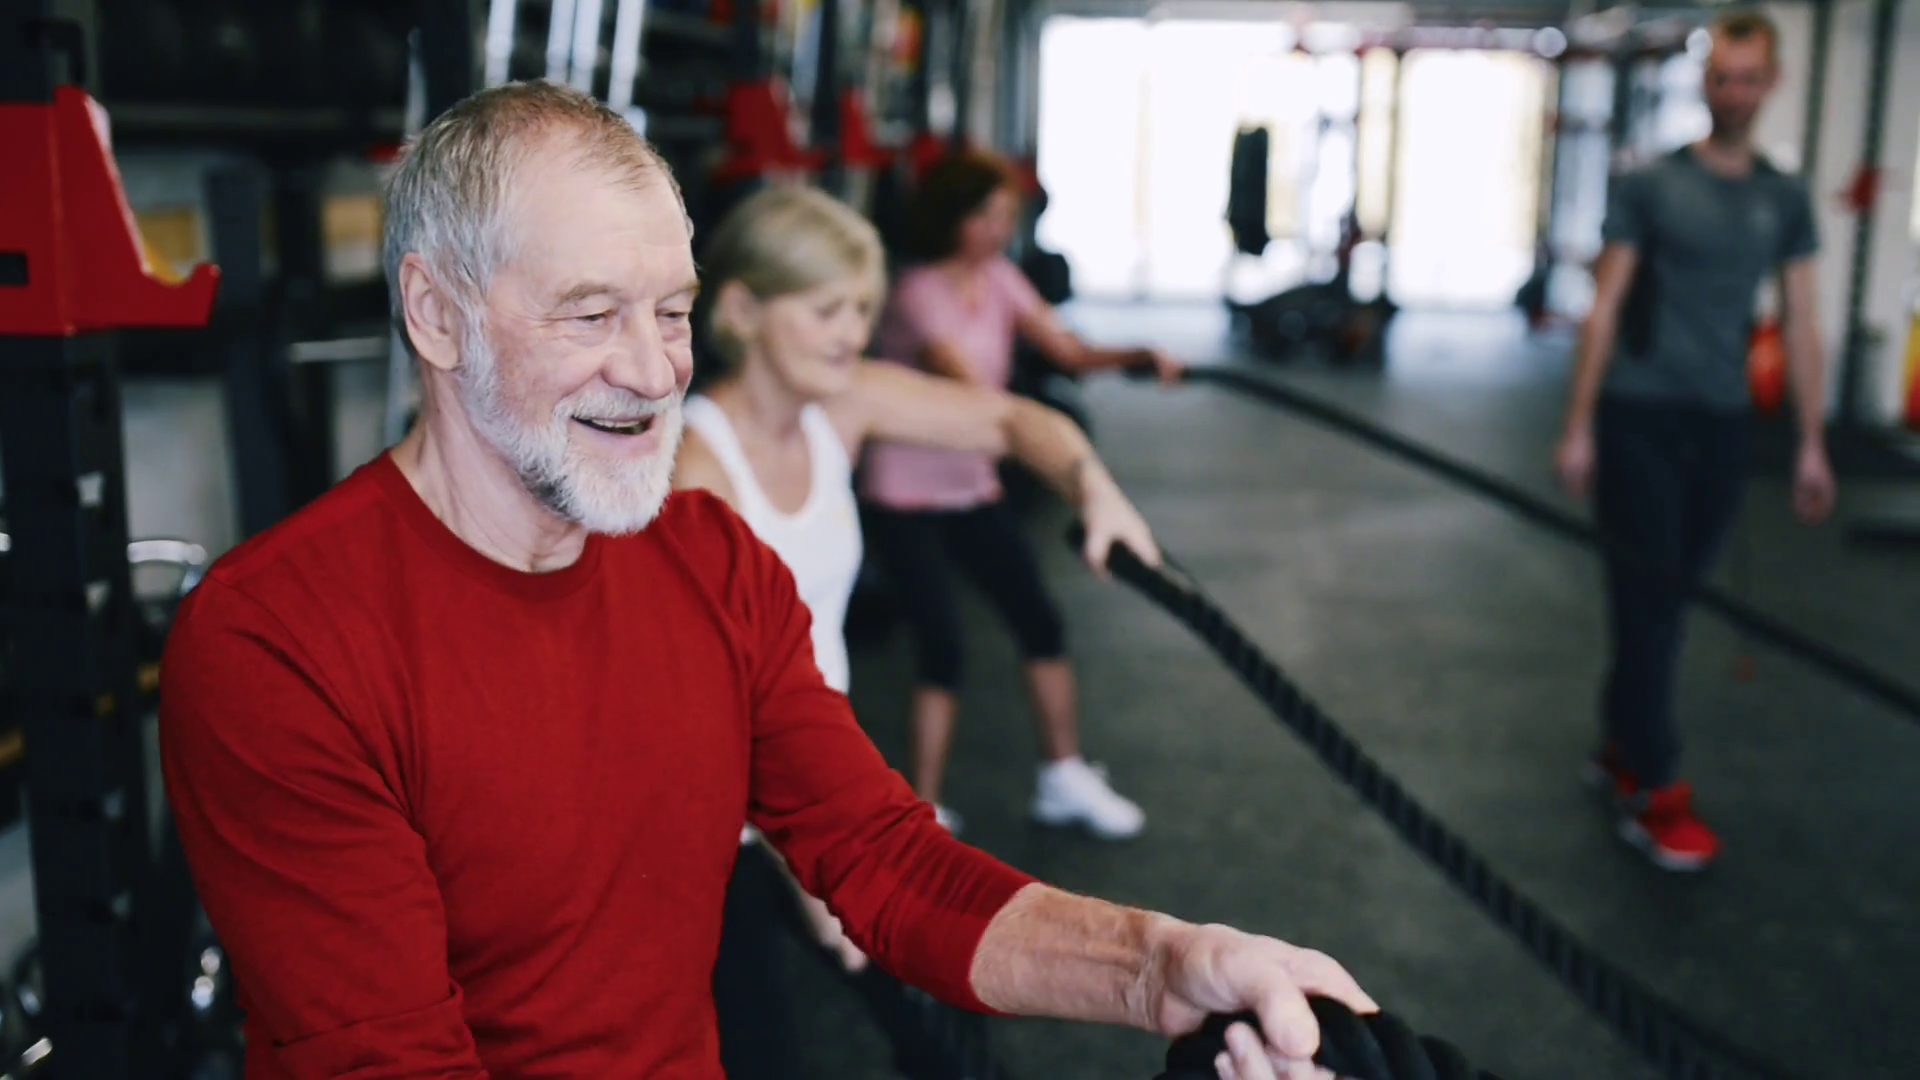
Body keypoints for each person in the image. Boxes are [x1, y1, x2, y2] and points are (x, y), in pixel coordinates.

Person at [158, 80, 1374, 1080]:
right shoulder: (279, 643)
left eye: (674, 312)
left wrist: (1168, 966)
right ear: (436, 312)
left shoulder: (712, 562)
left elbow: (889, 867)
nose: (652, 371)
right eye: (592, 315)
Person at [678, 185, 1166, 1076]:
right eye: (825, 309)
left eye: (861, 309)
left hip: (814, 782)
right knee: (758, 1051)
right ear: (744, 310)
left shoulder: (840, 404)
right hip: (720, 816)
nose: (849, 332)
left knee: (946, 1041)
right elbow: (722, 706)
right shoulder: (695, 474)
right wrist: (817, 873)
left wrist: (1090, 484)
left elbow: (1013, 417)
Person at [1553, 11, 1837, 872]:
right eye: (1722, 77)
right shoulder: (1651, 185)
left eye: (1751, 78)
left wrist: (1812, 442)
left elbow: (1801, 320)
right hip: (1636, 418)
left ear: (1771, 84)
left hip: (1719, 426)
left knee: (1666, 609)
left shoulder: (1783, 198)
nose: (1735, 93)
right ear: (1705, 81)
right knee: (1651, 610)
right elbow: (1604, 306)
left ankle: (1617, 748)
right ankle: (1656, 787)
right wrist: (1578, 426)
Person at [860, 150, 1184, 839]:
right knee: (943, 645)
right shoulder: (918, 294)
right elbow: (973, 395)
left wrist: (1135, 356)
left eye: (1008, 216)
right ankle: (923, 812)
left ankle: (1063, 776)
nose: (1002, 230)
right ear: (955, 219)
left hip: (970, 484)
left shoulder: (1000, 278)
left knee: (1040, 621)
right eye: (990, 216)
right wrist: (1056, 455)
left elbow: (1065, 350)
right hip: (906, 492)